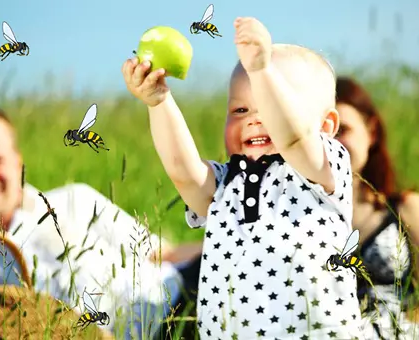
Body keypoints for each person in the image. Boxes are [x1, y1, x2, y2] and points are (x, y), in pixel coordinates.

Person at [122, 16, 365, 339]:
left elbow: (293, 138)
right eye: (239, 110)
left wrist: (262, 70)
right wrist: (159, 102)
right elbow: (184, 172)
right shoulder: (227, 184)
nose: (254, 120)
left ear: (326, 126)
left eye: (270, 104)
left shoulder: (323, 167)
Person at [0, 100, 200, 340]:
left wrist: (223, 244)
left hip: (176, 302)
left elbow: (163, 254)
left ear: (17, 161)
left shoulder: (73, 199)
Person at [335, 76, 419, 339]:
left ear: (370, 132)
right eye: (321, 133)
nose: (331, 143)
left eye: (342, 130)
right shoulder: (294, 217)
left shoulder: (403, 208)